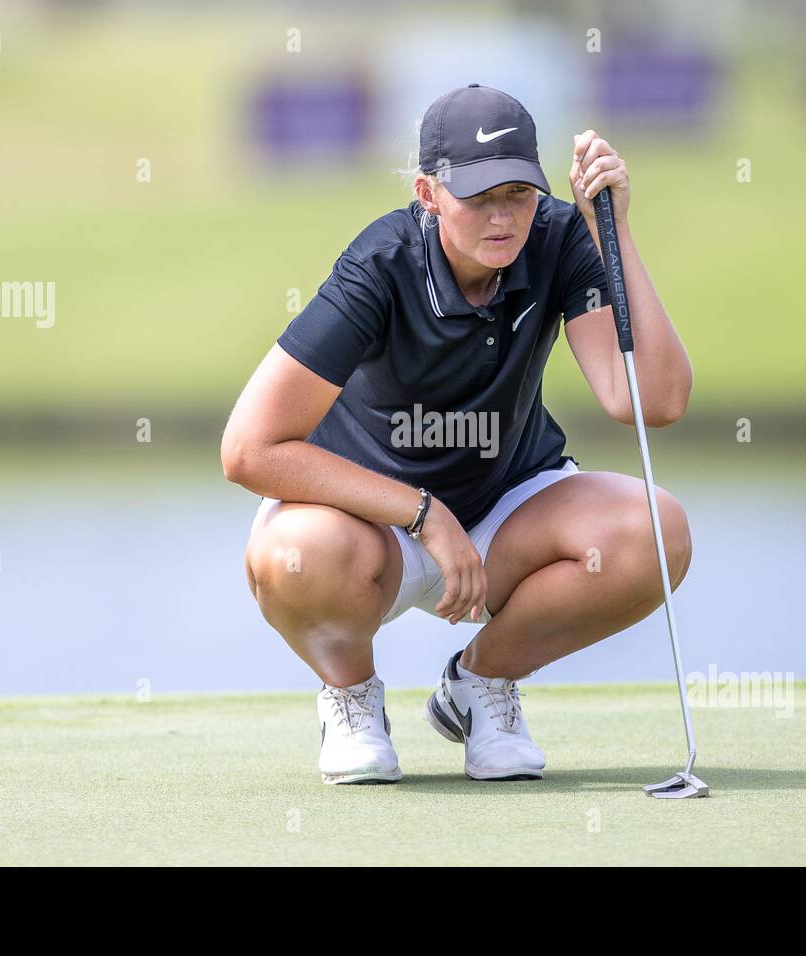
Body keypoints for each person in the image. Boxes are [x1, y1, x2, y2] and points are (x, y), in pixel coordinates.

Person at [221, 84, 693, 784]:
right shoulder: (379, 267)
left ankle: (482, 686)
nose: (503, 218)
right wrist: (420, 511)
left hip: (506, 511)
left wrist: (613, 234)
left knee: (657, 532)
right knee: (294, 554)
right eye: (477, 197)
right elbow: (248, 450)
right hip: (365, 527)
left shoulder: (561, 238)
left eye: (519, 193)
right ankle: (351, 697)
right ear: (428, 192)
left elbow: (653, 400)